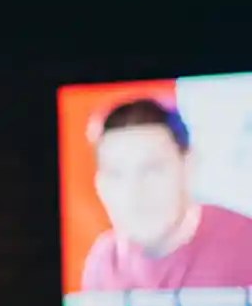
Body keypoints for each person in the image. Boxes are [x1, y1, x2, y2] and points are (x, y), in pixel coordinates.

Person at [81, 98, 252, 293]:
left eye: (152, 169)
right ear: (100, 186)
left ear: (188, 166)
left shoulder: (246, 246)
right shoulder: (104, 261)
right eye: (116, 174)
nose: (135, 191)